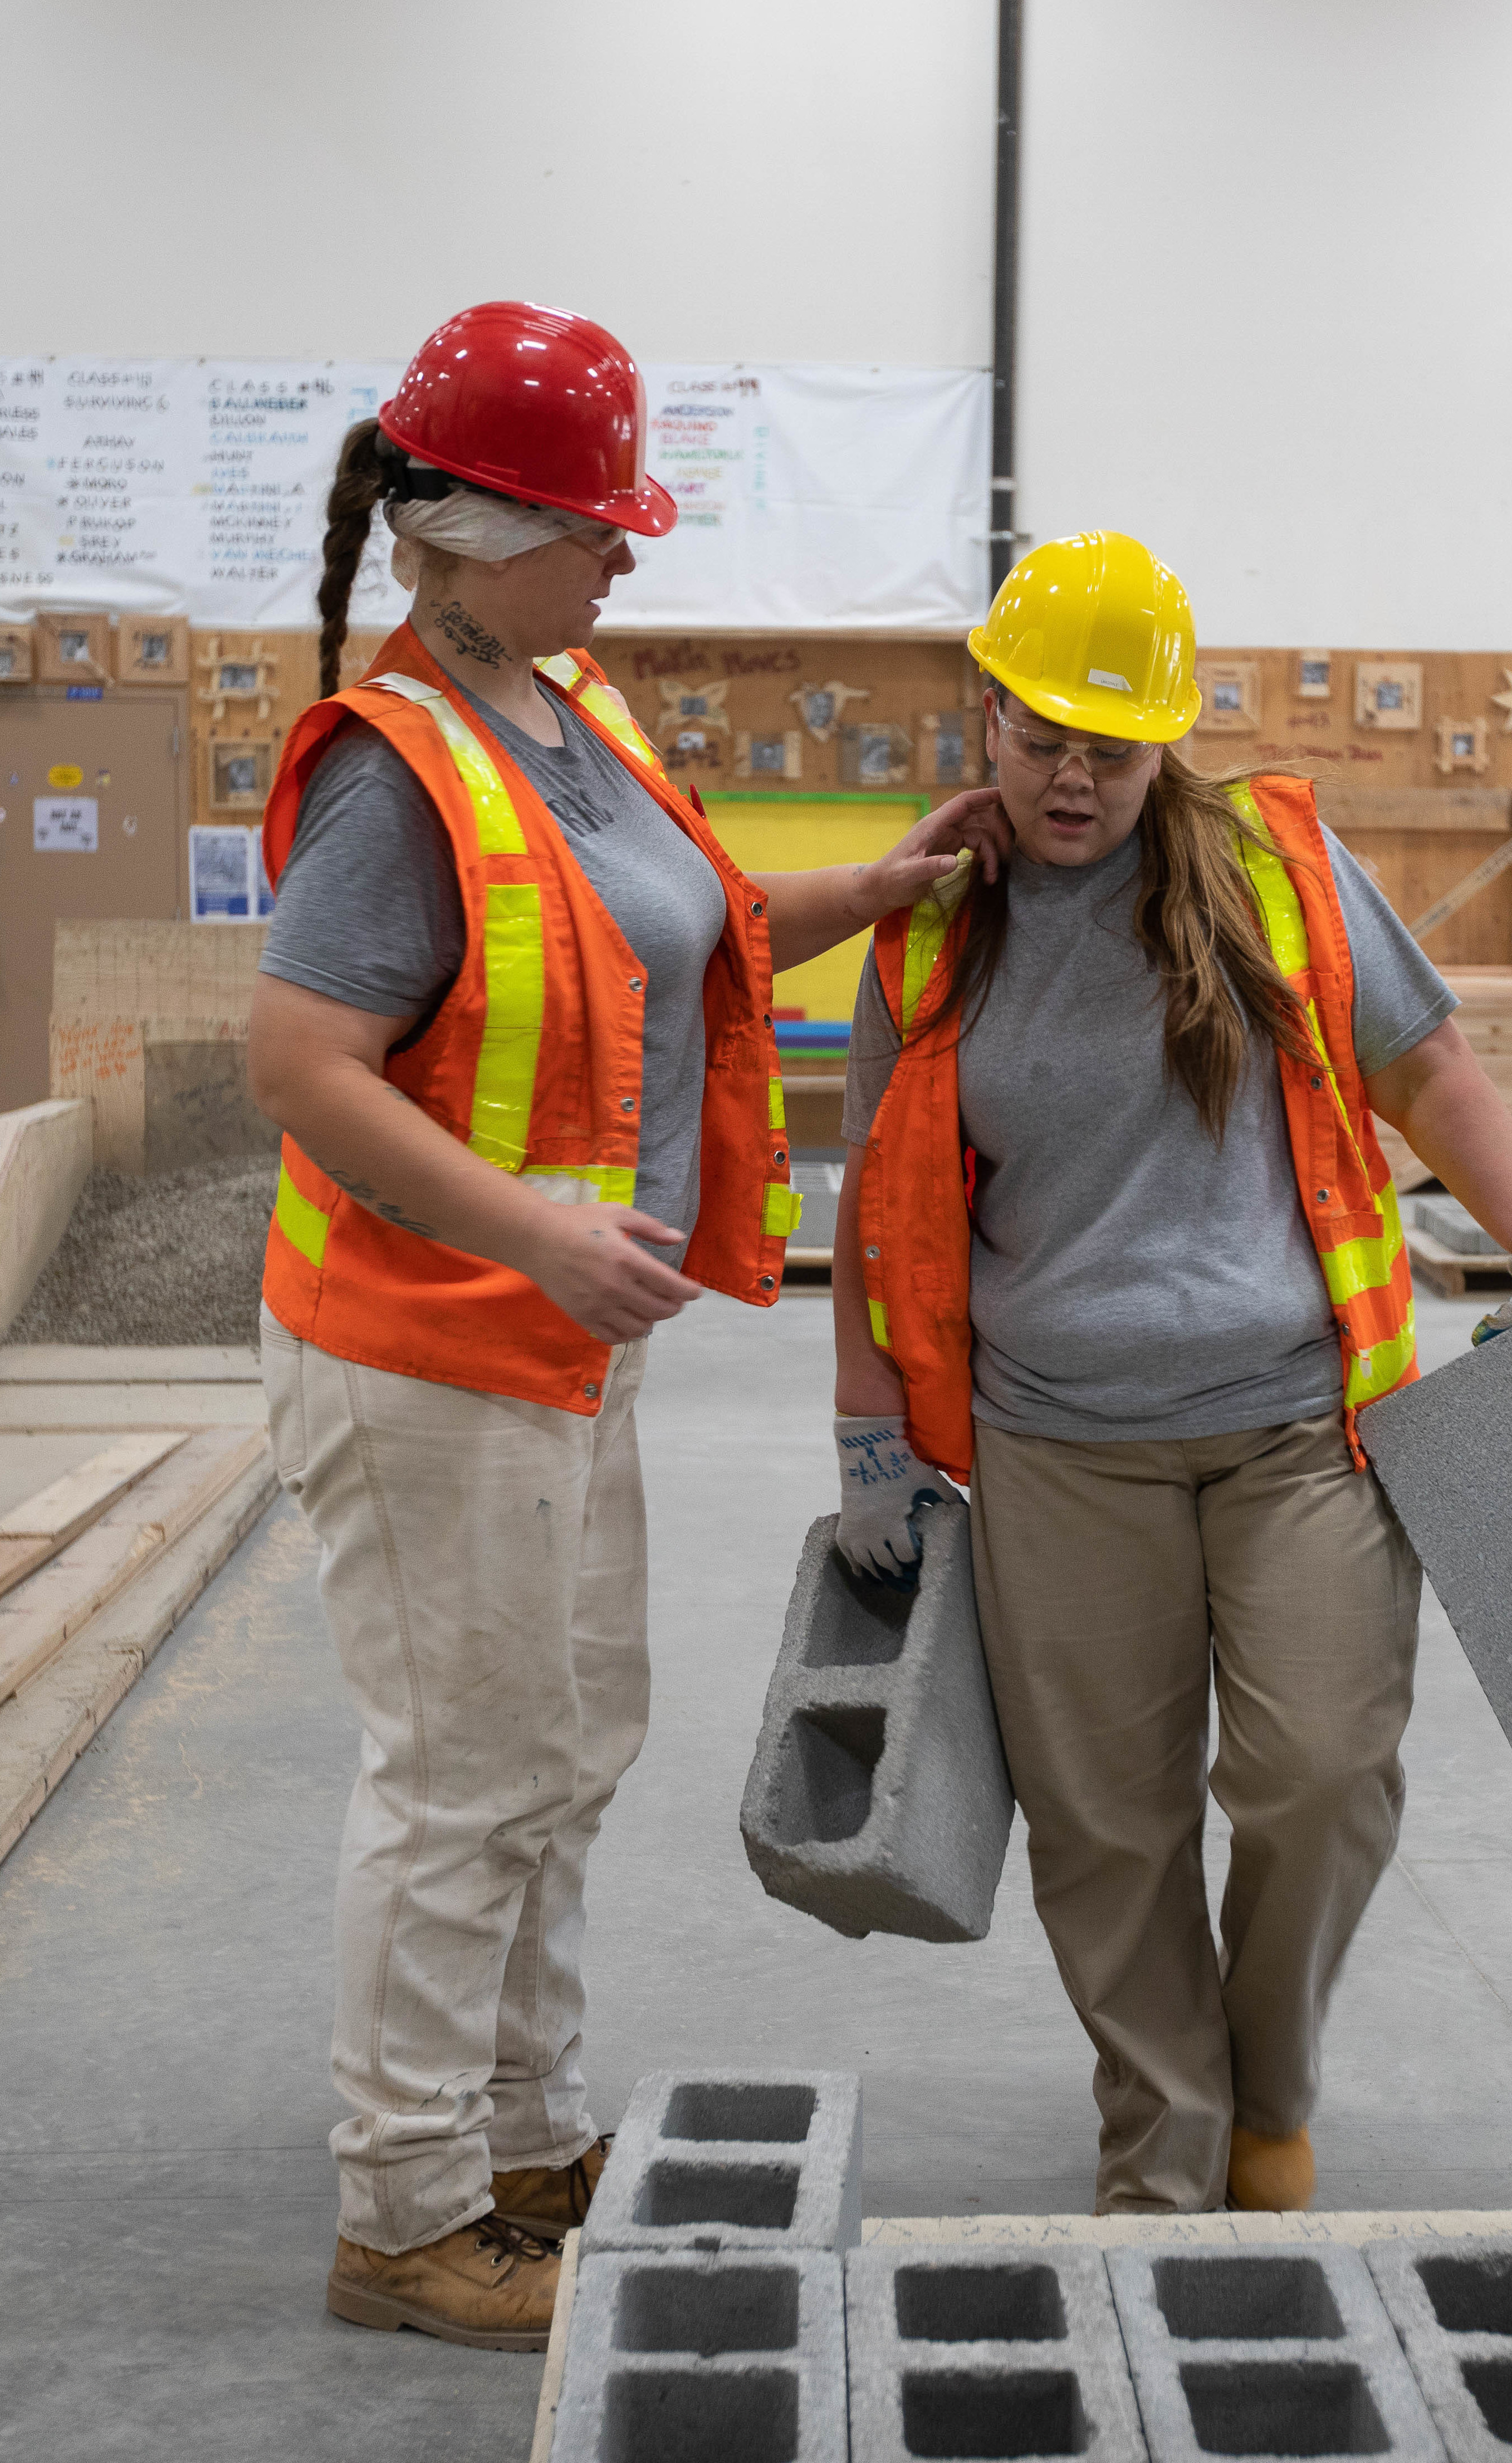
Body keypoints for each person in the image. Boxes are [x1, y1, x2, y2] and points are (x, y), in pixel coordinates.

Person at [245, 300, 992, 2349]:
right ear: (472, 539)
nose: (627, 557)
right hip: (426, 1356)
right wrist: (544, 1240)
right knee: (456, 1777)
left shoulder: (568, 712)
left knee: (560, 1754)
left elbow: (694, 938)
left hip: (559, 1351)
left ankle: (521, 2138)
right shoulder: (402, 769)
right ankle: (402, 2212)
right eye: (597, 526)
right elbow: (302, 1063)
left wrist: (884, 887)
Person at [829, 532, 1512, 2217]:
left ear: (1167, 735)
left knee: (1322, 1774)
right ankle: (1161, 2147)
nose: (1072, 779)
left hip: (1298, 1425)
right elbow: (882, 1200)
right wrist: (866, 1422)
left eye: (1110, 745)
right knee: (1107, 1829)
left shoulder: (1275, 873)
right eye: (1040, 740)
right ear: (992, 718)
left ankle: (1271, 2081)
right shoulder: (931, 934)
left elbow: (1431, 1063)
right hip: (1055, 1446)